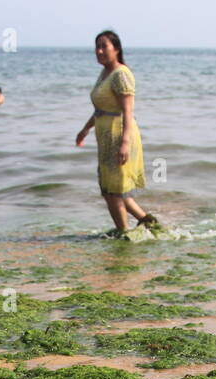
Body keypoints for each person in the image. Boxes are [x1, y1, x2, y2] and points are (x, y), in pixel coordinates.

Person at [74, 30, 160, 236]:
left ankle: (123, 233)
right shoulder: (105, 73)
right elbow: (101, 109)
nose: (99, 50)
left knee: (114, 191)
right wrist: (85, 129)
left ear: (117, 49)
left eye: (104, 46)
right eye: (97, 46)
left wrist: (124, 142)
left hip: (119, 134)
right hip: (105, 136)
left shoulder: (121, 74)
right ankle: (149, 223)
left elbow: (127, 112)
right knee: (111, 189)